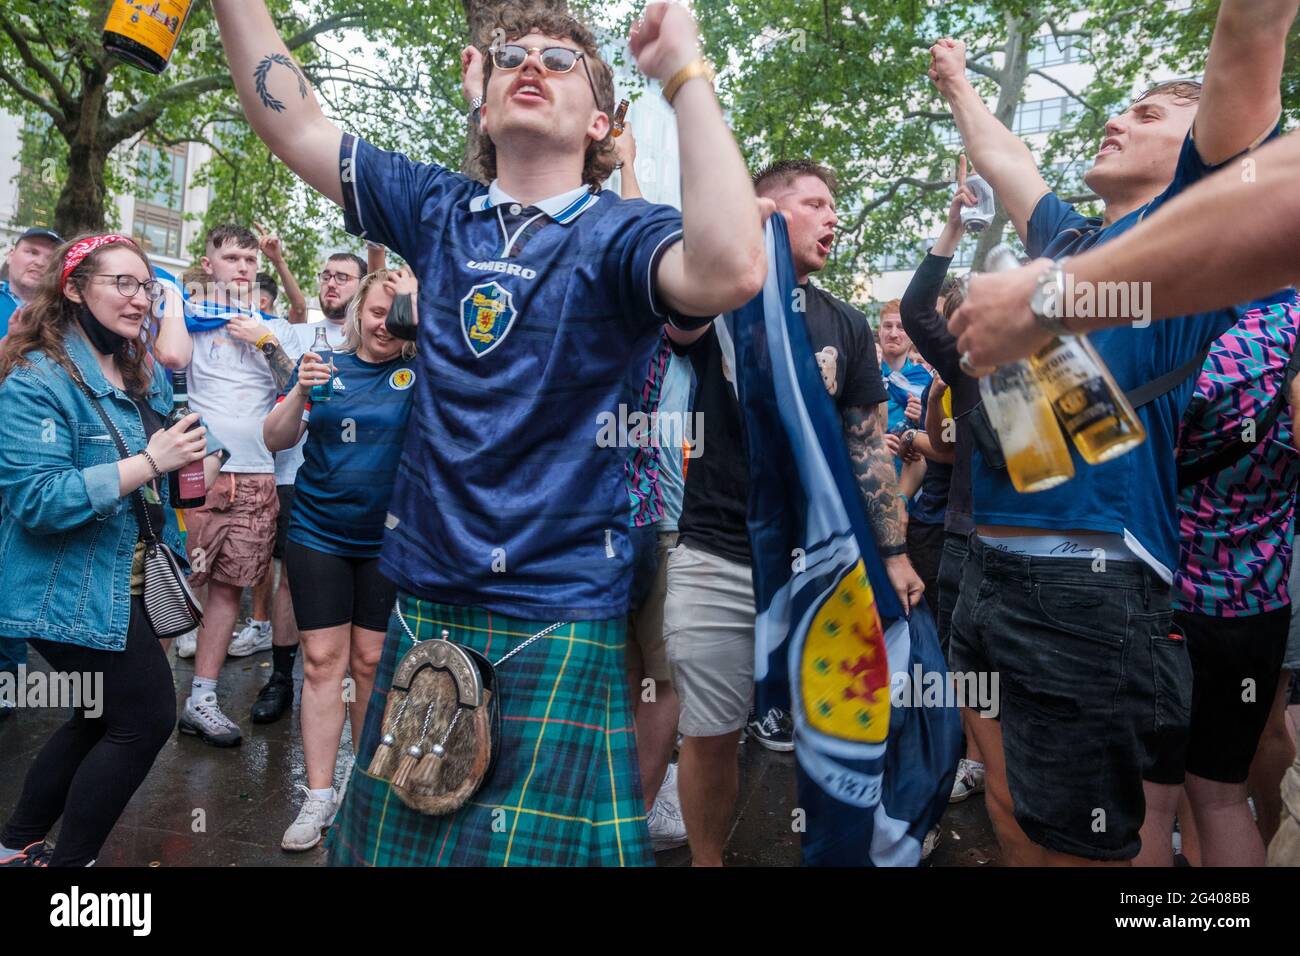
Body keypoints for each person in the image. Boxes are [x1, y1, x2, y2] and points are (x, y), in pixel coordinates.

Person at [212, 0, 765, 866]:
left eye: (561, 58)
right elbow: (297, 124)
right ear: (483, 96)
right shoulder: (440, 209)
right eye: (511, 55)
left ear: (600, 121)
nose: (532, 63)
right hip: (429, 593)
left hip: (561, 606)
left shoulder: (623, 233)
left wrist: (686, 73)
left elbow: (733, 263)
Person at [929, 0, 1298, 865]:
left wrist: (1048, 299)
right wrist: (955, 82)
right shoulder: (1075, 236)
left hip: (1091, 578)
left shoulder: (1191, 226)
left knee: (1092, 842)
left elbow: (1248, 35)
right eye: (1118, 108)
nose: (1114, 119)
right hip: (986, 567)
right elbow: (1005, 156)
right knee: (1015, 802)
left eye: (1147, 112)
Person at [664, 159, 920, 866]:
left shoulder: (847, 322)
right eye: (815, 203)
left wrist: (894, 553)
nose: (833, 217)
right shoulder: (718, 295)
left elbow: (869, 446)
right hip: (717, 554)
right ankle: (708, 859)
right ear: (770, 214)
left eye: (834, 205)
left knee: (829, 731)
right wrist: (735, 223)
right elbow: (677, 322)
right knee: (711, 732)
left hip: (821, 569)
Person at [0, 234, 223, 867]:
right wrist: (151, 460)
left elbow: (153, 462)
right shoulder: (36, 377)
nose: (138, 299)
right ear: (72, 290)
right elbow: (38, 500)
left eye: (146, 286)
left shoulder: (135, 368)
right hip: (61, 586)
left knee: (98, 717)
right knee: (145, 720)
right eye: (120, 283)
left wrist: (183, 462)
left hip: (122, 577)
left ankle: (15, 844)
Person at [264, 267, 418, 851]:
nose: (385, 324)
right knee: (323, 661)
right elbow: (275, 438)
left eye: (396, 313)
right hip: (318, 531)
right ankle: (319, 795)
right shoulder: (325, 368)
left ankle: (367, 785)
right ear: (357, 312)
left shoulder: (422, 372)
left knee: (372, 661)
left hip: (389, 538)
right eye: (376, 312)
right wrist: (300, 391)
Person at [153, 224, 306, 746]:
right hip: (203, 475)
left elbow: (300, 390)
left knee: (228, 592)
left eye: (249, 259)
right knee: (177, 588)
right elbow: (169, 358)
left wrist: (264, 341)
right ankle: (144, 701)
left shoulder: (274, 329)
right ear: (209, 264)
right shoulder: (190, 321)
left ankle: (202, 700)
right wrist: (174, 293)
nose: (243, 267)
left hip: (259, 475)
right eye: (232, 258)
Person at [239, 250, 366, 728]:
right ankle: (281, 679)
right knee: (290, 580)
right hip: (295, 473)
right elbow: (287, 383)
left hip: (359, 480)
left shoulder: (372, 336)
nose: (332, 284)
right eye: (326, 276)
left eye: (343, 277)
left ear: (362, 283)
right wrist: (273, 345)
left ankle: (354, 682)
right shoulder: (295, 331)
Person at [900, 164, 986, 803]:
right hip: (964, 534)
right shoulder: (969, 369)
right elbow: (914, 308)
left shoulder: (1079, 355)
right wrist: (953, 226)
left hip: (1062, 552)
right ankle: (964, 757)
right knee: (963, 659)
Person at [0, 227, 62, 337]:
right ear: (11, 255)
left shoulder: (63, 315)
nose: (40, 263)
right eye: (33, 252)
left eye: (51, 259)